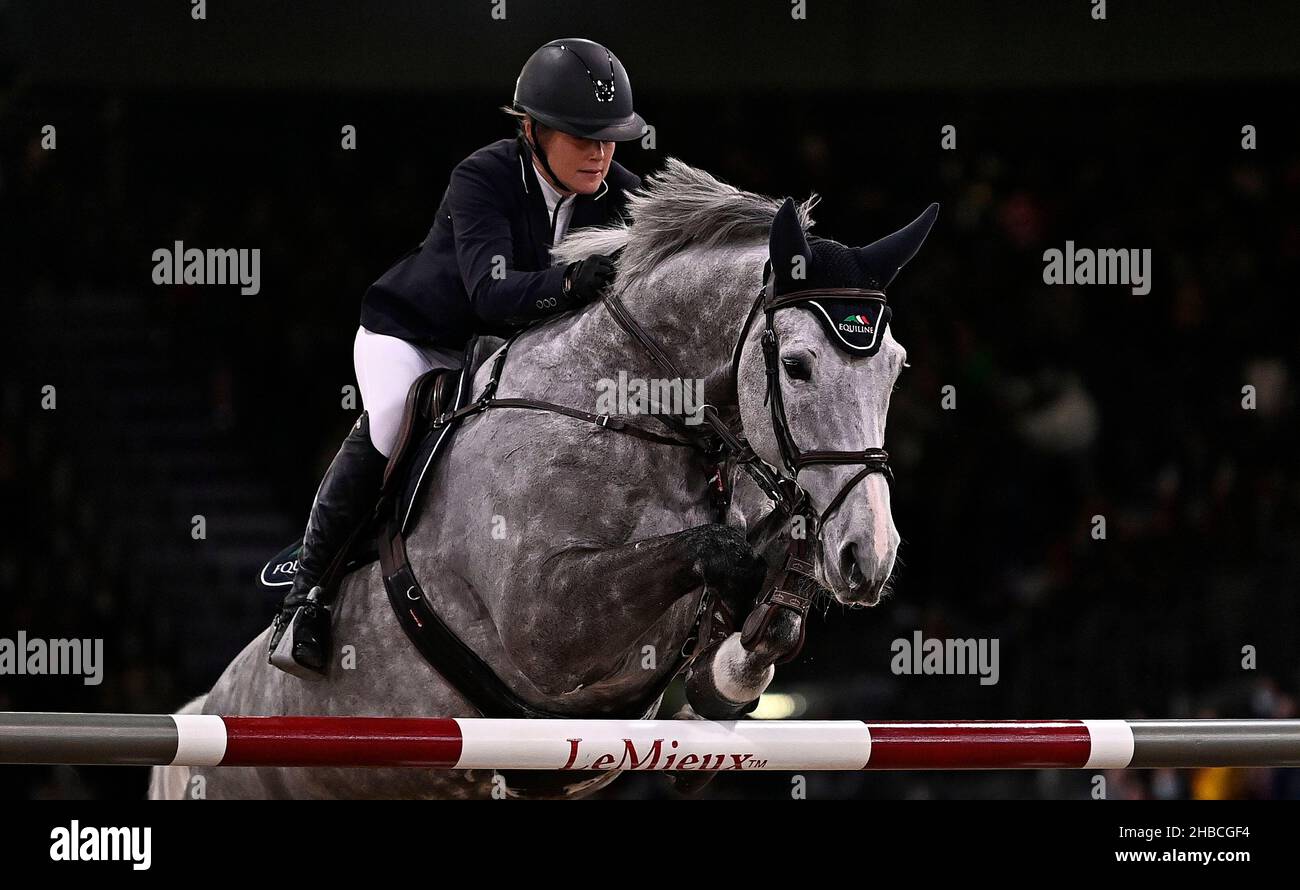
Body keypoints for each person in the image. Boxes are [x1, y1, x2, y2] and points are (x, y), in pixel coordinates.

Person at [269, 38, 646, 676]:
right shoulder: (484, 176)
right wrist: (572, 281)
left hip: (504, 351)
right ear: (531, 131)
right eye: (583, 138)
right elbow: (491, 293)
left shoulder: (621, 192)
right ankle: (305, 594)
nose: (601, 153)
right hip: (415, 336)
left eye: (610, 138)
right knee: (392, 418)